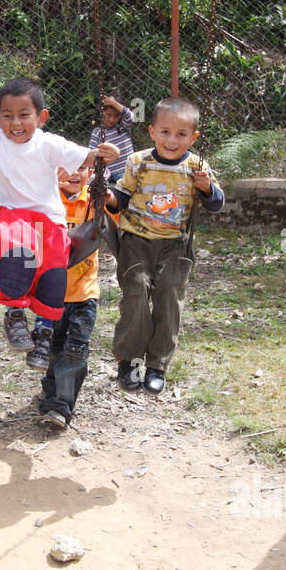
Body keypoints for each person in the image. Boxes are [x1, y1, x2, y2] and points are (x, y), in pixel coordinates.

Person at [0, 77, 119, 352]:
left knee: (55, 268)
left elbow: (87, 158)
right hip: (13, 213)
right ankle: (15, 315)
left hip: (51, 218)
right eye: (8, 116)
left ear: (41, 117)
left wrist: (107, 153)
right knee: (22, 250)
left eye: (24, 115)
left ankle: (44, 331)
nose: (16, 123)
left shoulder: (48, 143)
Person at [104, 97, 225, 395]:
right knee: (135, 293)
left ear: (193, 137)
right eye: (165, 132)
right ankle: (129, 360)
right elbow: (121, 197)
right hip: (136, 240)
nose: (172, 140)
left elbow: (216, 203)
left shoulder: (197, 166)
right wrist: (107, 197)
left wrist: (206, 188)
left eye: (181, 134)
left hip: (176, 244)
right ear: (152, 131)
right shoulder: (138, 162)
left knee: (169, 296)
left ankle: (157, 363)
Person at [37, 165, 101, 428]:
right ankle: (50, 390)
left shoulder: (95, 200)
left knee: (75, 351)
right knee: (54, 347)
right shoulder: (46, 201)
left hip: (84, 294)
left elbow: (118, 210)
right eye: (66, 168)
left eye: (82, 167)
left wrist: (104, 194)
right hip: (51, 293)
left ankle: (61, 406)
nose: (75, 174)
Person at [88, 94, 136, 182]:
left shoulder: (123, 126)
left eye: (116, 116)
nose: (112, 119)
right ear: (101, 113)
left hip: (131, 168)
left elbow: (131, 116)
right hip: (113, 173)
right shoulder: (98, 132)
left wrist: (113, 103)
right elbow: (92, 153)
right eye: (108, 115)